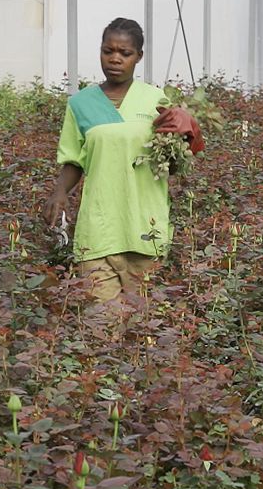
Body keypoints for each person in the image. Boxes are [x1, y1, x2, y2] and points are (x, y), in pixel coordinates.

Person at [41, 18, 201, 302]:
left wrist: (185, 136)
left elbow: (173, 163)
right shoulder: (80, 104)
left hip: (145, 229)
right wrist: (59, 193)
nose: (115, 59)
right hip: (99, 231)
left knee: (143, 330)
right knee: (101, 329)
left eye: (124, 53)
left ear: (138, 57)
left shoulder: (156, 100)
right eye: (108, 51)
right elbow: (74, 161)